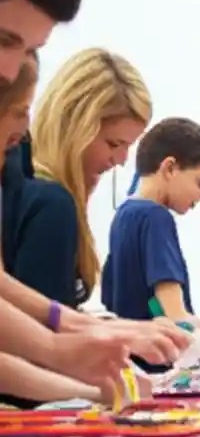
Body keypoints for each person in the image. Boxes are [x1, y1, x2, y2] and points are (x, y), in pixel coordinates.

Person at [0, 0, 186, 401]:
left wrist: (86, 336)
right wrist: (73, 357)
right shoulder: (48, 202)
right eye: (5, 40)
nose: (10, 70)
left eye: (29, 51)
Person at [4, 48, 150, 308]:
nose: (121, 159)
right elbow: (45, 334)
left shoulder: (23, 185)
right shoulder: (52, 204)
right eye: (113, 143)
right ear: (76, 128)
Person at [102, 118, 200, 369]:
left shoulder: (124, 215)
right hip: (160, 369)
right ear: (170, 168)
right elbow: (176, 318)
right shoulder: (156, 218)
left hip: (129, 365)